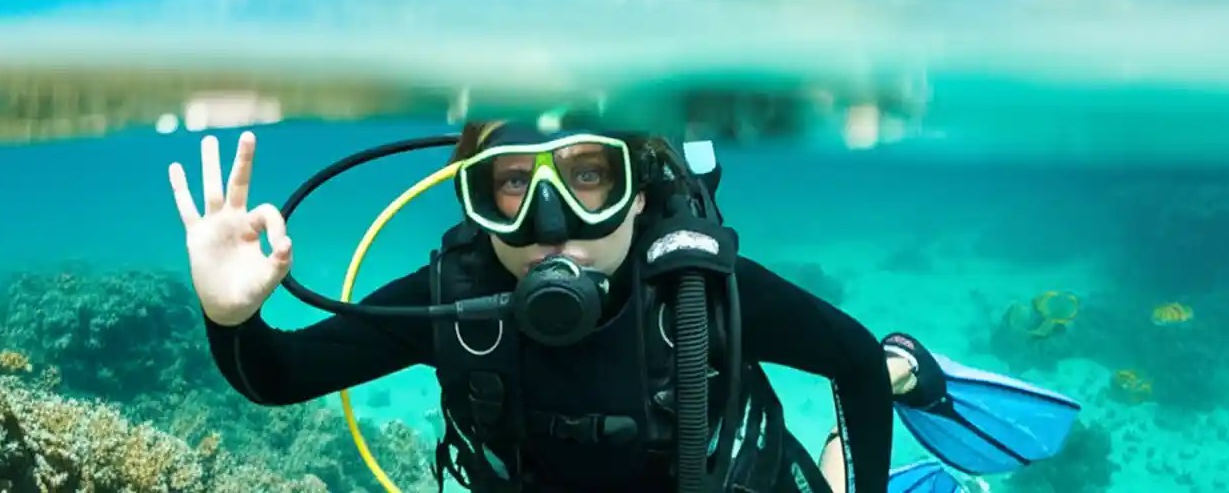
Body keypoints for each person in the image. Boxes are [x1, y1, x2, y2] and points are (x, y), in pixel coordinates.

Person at [168, 120, 1081, 493]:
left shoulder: (697, 285)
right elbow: (278, 377)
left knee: (855, 412)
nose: (549, 226)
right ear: (470, 201)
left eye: (588, 179)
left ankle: (908, 369)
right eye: (510, 189)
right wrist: (230, 315)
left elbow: (835, 357)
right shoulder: (456, 303)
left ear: (639, 195)